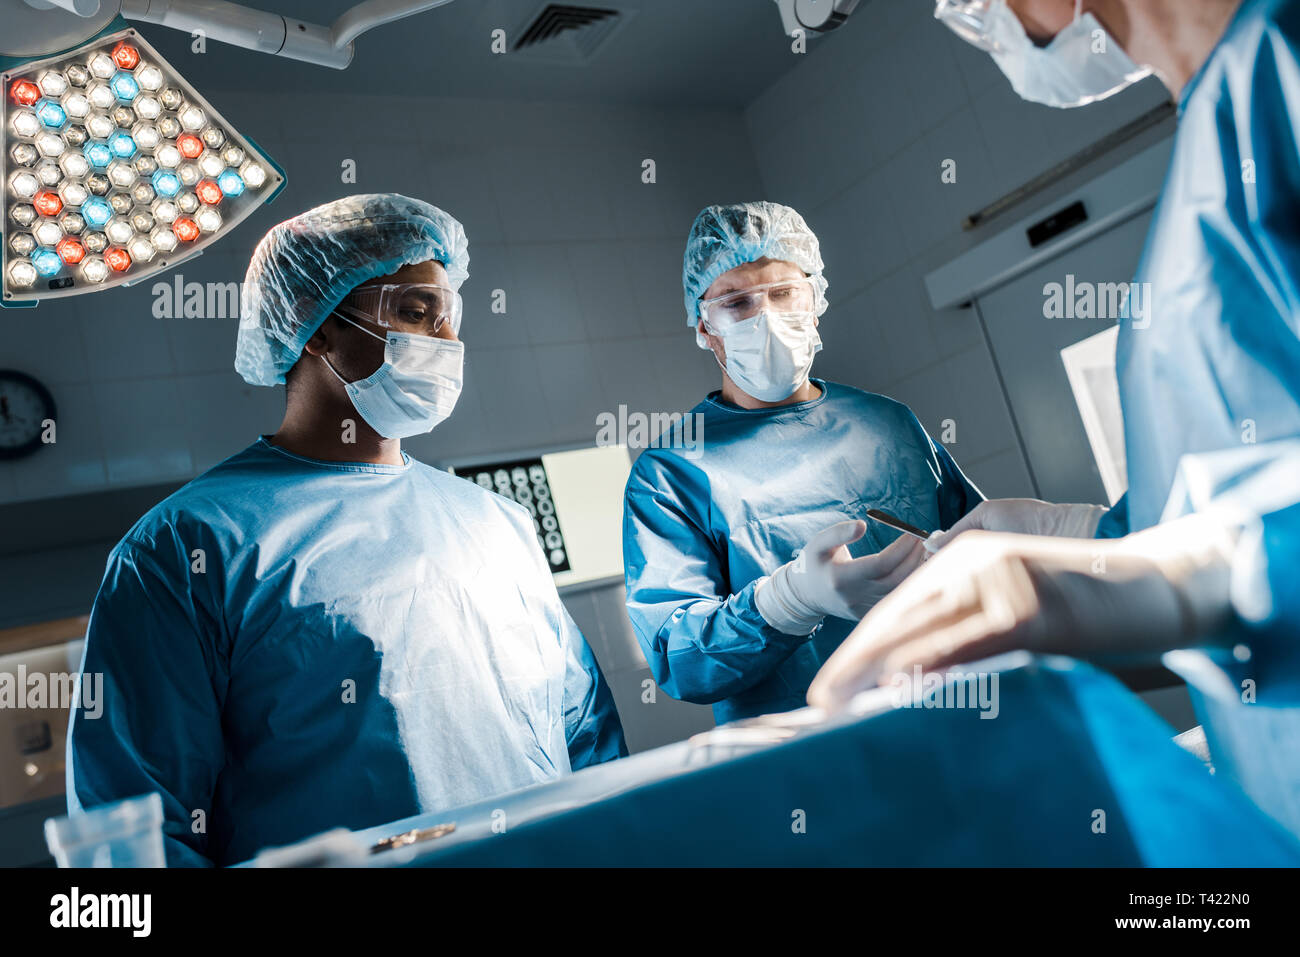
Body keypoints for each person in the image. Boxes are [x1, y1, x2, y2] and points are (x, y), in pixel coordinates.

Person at [810, 0, 1300, 838]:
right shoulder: (1215, 140)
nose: (969, 16)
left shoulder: (1279, 76)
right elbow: (1227, 503)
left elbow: (1231, 553)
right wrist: (1090, 540)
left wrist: (1176, 578)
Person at [66, 194, 626, 866]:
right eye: (415, 312)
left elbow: (589, 736)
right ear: (316, 324)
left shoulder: (496, 523)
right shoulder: (185, 547)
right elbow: (131, 839)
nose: (446, 342)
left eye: (450, 316)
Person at [622, 202, 983, 723]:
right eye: (736, 303)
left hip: (951, 711)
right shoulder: (672, 472)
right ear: (703, 326)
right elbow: (681, 660)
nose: (764, 318)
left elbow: (979, 556)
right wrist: (791, 600)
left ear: (815, 301)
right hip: (809, 751)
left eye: (784, 293)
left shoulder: (890, 423)